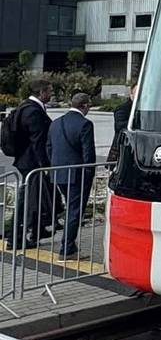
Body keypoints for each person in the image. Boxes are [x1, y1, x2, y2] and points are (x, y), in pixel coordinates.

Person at [45, 93, 96, 258]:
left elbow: (49, 147)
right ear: (85, 105)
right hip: (77, 174)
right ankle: (66, 249)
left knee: (70, 208)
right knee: (75, 211)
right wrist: (89, 175)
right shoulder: (85, 124)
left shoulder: (56, 123)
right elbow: (89, 155)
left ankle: (70, 245)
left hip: (58, 173)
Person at [12, 79, 55, 246]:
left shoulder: (29, 107)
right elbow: (37, 140)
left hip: (29, 161)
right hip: (31, 163)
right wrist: (44, 164)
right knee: (28, 200)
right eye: (49, 91)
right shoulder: (32, 111)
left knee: (40, 197)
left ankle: (38, 228)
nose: (51, 95)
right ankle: (15, 237)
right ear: (41, 93)